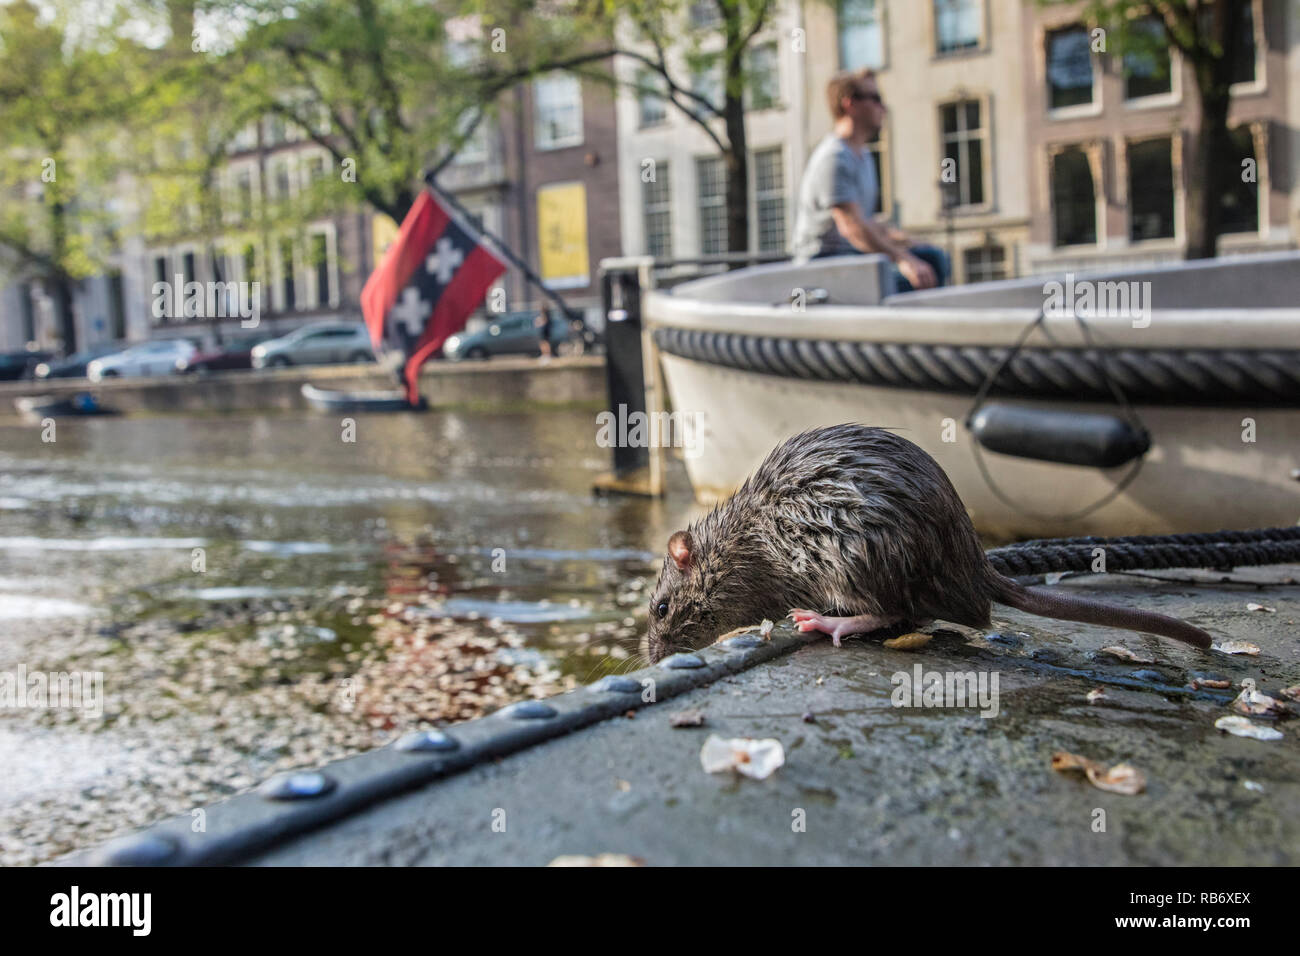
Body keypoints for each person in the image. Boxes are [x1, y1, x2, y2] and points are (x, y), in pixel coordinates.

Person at [792, 68, 949, 293]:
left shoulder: (863, 156)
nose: (883, 108)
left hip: (851, 258)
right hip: (823, 265)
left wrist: (905, 241)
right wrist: (904, 260)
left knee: (933, 256)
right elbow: (852, 228)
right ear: (850, 105)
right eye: (875, 99)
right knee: (923, 270)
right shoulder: (834, 158)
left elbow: (865, 223)